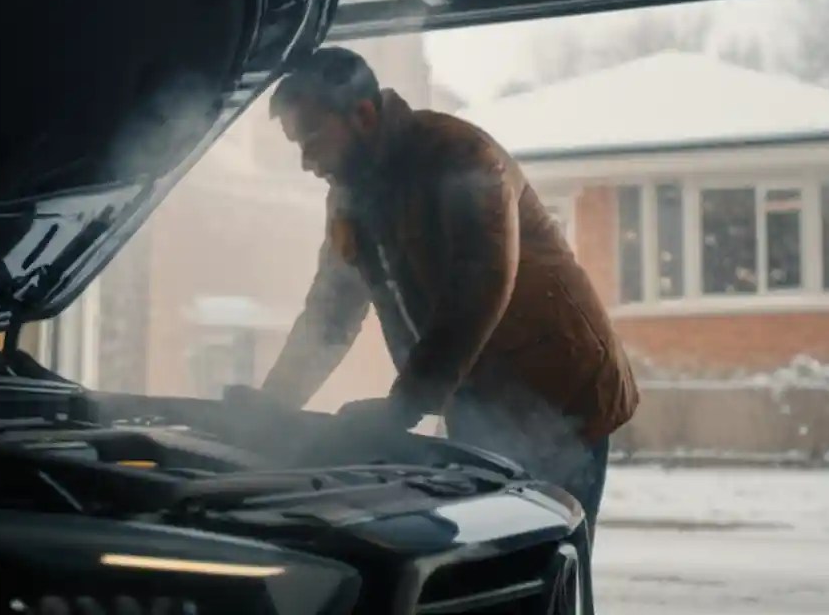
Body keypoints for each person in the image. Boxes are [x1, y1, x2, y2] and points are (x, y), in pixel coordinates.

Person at [256, 46, 639, 538]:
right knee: (481, 560)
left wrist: (403, 406)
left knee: (541, 562)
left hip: (560, 398)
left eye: (311, 137)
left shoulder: (461, 158)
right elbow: (330, 312)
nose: (307, 162)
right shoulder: (350, 196)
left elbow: (477, 286)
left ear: (364, 114)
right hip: (476, 398)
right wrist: (274, 403)